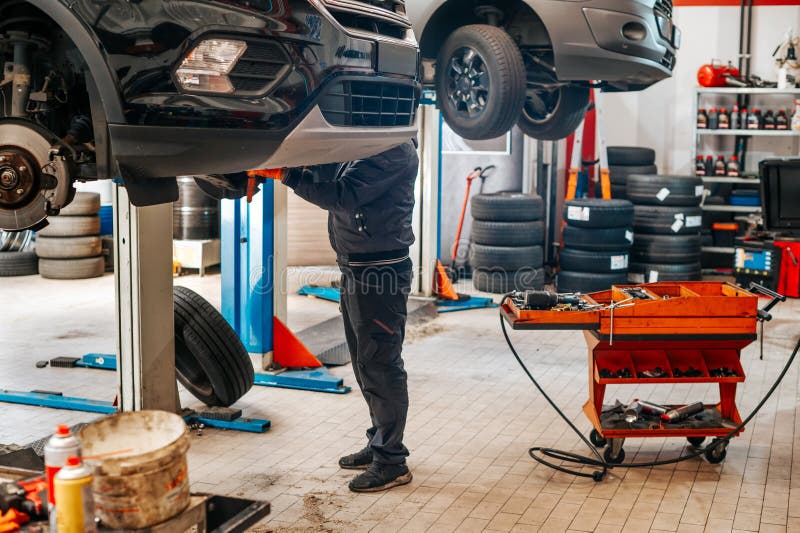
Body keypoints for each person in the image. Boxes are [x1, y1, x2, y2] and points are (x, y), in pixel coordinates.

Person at [280, 139, 419, 492]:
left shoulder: (394, 150)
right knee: (363, 362)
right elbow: (325, 174)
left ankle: (391, 461)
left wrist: (284, 174)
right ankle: (380, 443)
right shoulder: (363, 143)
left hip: (380, 271)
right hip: (357, 267)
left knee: (380, 363)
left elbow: (343, 195)